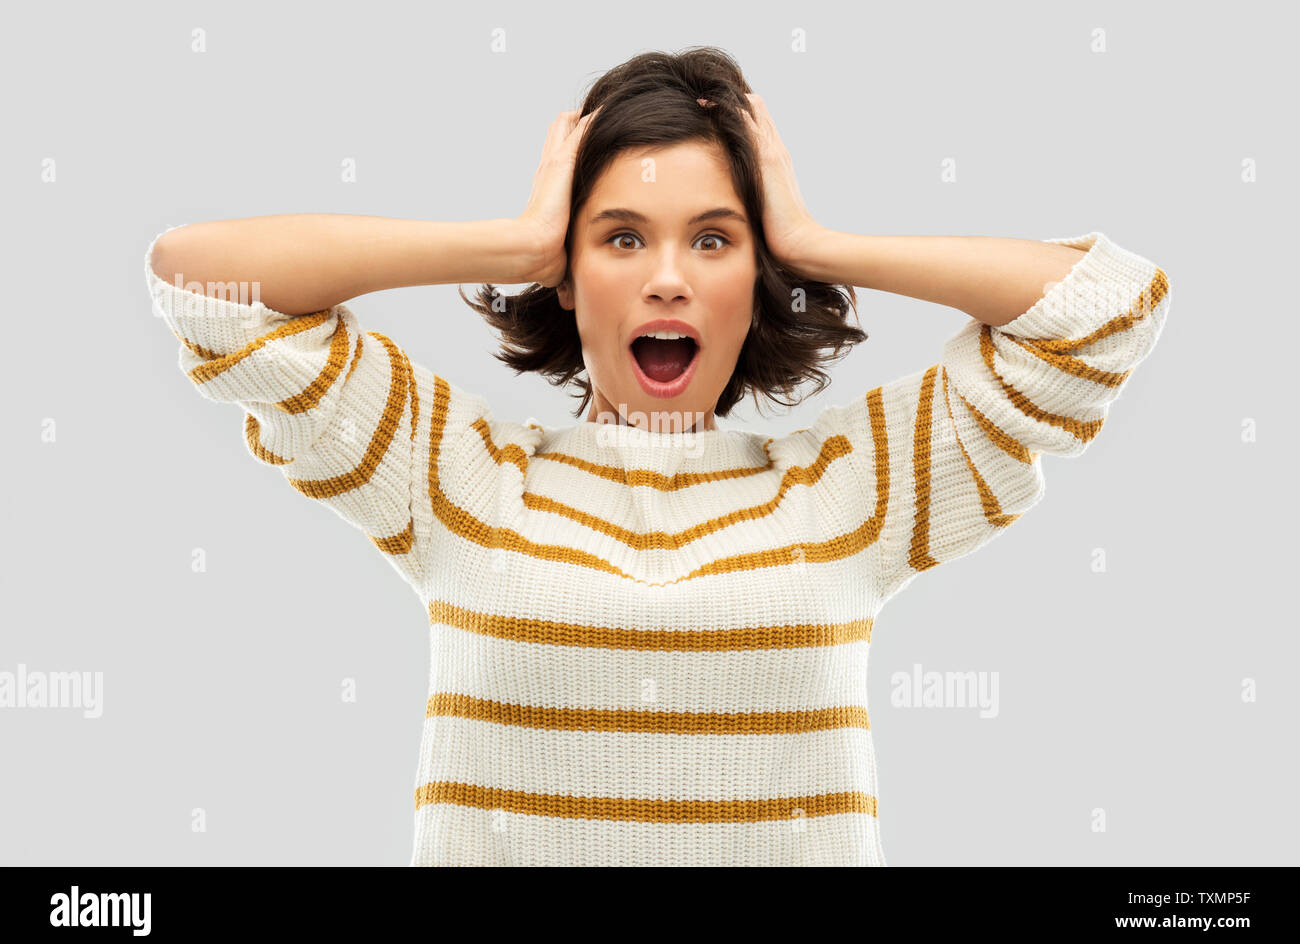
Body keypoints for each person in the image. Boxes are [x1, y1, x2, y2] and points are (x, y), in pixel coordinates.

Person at [144, 47, 1172, 866]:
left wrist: (814, 240)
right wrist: (507, 244)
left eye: (715, 240)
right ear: (566, 271)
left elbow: (1105, 311)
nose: (668, 279)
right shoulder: (460, 478)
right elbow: (200, 285)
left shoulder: (845, 490)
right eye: (622, 238)